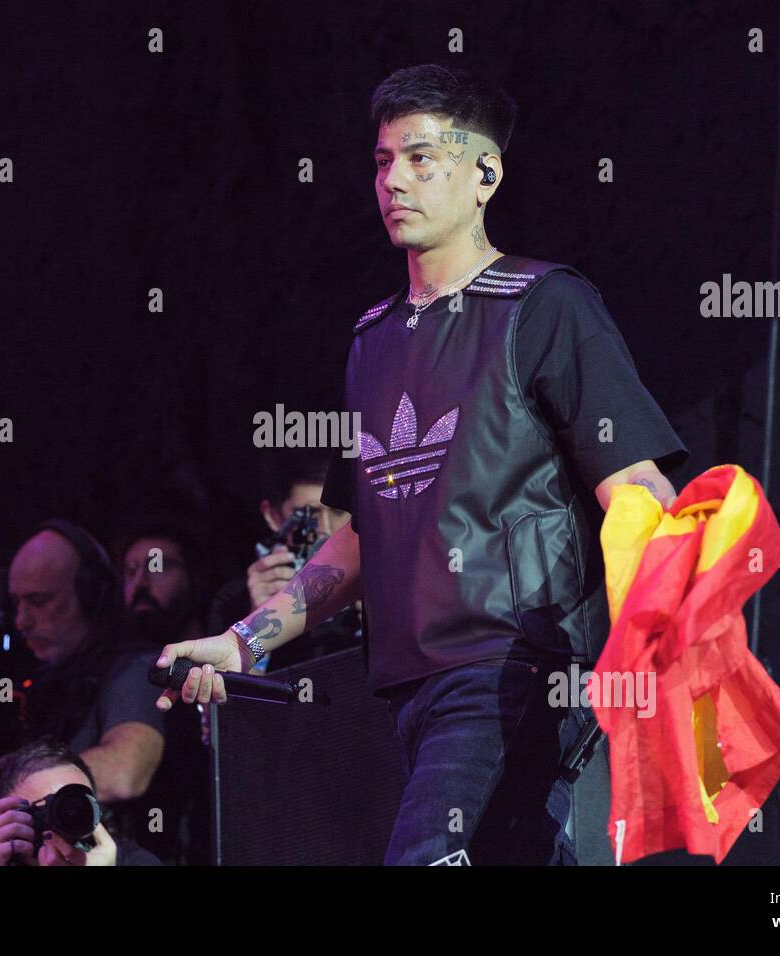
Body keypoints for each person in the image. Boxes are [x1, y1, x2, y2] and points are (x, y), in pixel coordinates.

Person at [153, 63, 690, 866]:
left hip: (513, 668)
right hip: (408, 688)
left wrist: (678, 602)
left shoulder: (546, 306)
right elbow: (362, 540)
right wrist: (244, 641)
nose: (394, 180)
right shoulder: (372, 339)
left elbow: (636, 487)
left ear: (485, 175)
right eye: (382, 161)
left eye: (421, 158)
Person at [0, 520, 166, 843]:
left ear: (90, 596)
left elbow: (127, 770)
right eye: (17, 603)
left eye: (39, 601)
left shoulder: (136, 669)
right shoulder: (48, 684)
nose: (21, 621)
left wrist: (10, 785)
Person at [114, 516, 213, 864]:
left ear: (195, 579)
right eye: (130, 570)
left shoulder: (228, 661)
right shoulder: (118, 675)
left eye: (158, 566)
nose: (140, 582)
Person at [206, 448, 357, 671]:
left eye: (338, 512)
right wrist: (257, 623)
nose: (326, 530)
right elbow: (229, 703)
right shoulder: (234, 602)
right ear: (273, 516)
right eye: (309, 515)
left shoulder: (377, 585)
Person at [0, 737, 161, 866]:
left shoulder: (134, 861)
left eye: (75, 806)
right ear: (2, 823)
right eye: (44, 812)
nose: (63, 822)